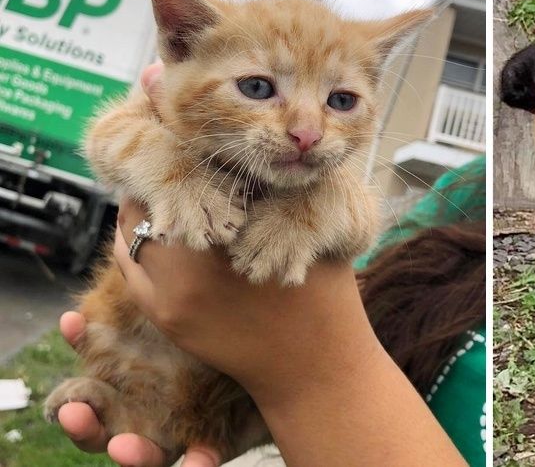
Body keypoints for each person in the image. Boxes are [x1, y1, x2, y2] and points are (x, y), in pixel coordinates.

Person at [54, 64, 488, 466]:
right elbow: (108, 136)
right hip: (176, 373)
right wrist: (171, 171)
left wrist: (292, 384)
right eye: (258, 87)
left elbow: (359, 219)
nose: (307, 131)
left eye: (340, 101)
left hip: (257, 402)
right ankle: (133, 407)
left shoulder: (331, 173)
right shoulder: (473, 188)